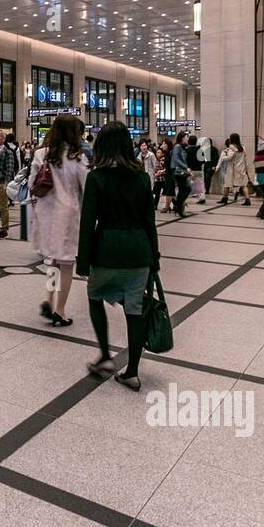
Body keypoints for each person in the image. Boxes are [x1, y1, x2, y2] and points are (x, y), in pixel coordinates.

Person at [77, 122, 159, 390]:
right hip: (138, 250)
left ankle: (104, 355)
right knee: (135, 310)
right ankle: (132, 371)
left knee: (94, 297)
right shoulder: (142, 178)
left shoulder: (97, 177)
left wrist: (83, 260)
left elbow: (88, 223)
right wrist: (154, 257)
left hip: (106, 250)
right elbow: (149, 221)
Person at [31, 115, 89, 327]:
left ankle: (48, 298)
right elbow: (87, 187)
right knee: (66, 263)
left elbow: (32, 184)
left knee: (52, 260)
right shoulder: (77, 157)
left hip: (46, 213)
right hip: (68, 215)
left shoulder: (40, 154)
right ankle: (60, 310)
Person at [215, 133, 250, 205]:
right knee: (243, 185)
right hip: (241, 169)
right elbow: (245, 159)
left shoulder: (232, 148)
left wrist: (223, 157)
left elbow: (229, 158)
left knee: (227, 184)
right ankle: (247, 200)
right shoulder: (243, 147)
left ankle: (225, 199)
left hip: (232, 169)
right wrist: (246, 169)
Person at [170, 130, 192, 217]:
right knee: (187, 188)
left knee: (183, 189)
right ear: (182, 138)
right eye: (187, 137)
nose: (188, 139)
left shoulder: (181, 147)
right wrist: (186, 168)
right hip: (178, 170)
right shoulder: (177, 146)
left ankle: (178, 206)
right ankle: (178, 205)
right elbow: (176, 159)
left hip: (180, 170)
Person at [195, 136, 218, 204]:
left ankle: (206, 190)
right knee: (205, 178)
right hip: (205, 166)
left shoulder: (214, 149)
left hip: (210, 166)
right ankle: (204, 190)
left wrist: (214, 166)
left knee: (207, 178)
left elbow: (215, 158)